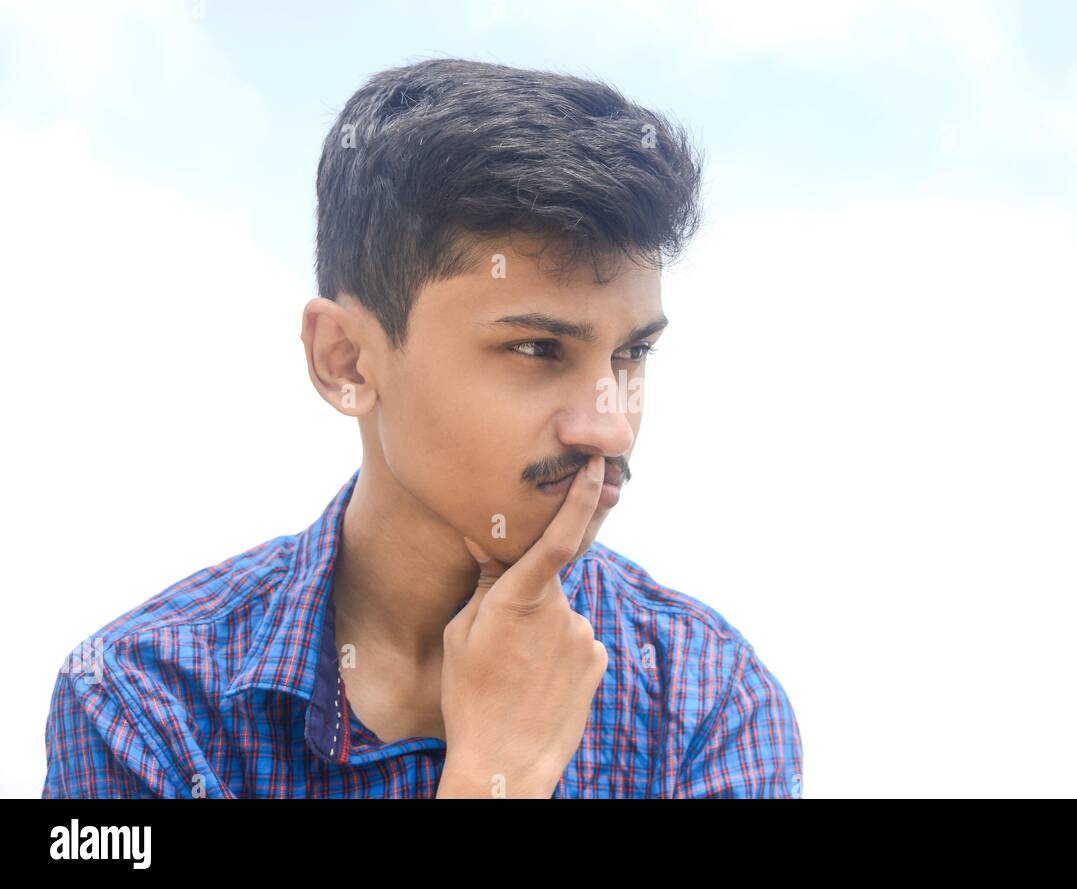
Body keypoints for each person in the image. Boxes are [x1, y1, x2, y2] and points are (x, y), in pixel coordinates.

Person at [41, 57, 802, 798]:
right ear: (346, 360)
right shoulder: (140, 701)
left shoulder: (707, 700)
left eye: (633, 352)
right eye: (537, 349)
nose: (610, 428)